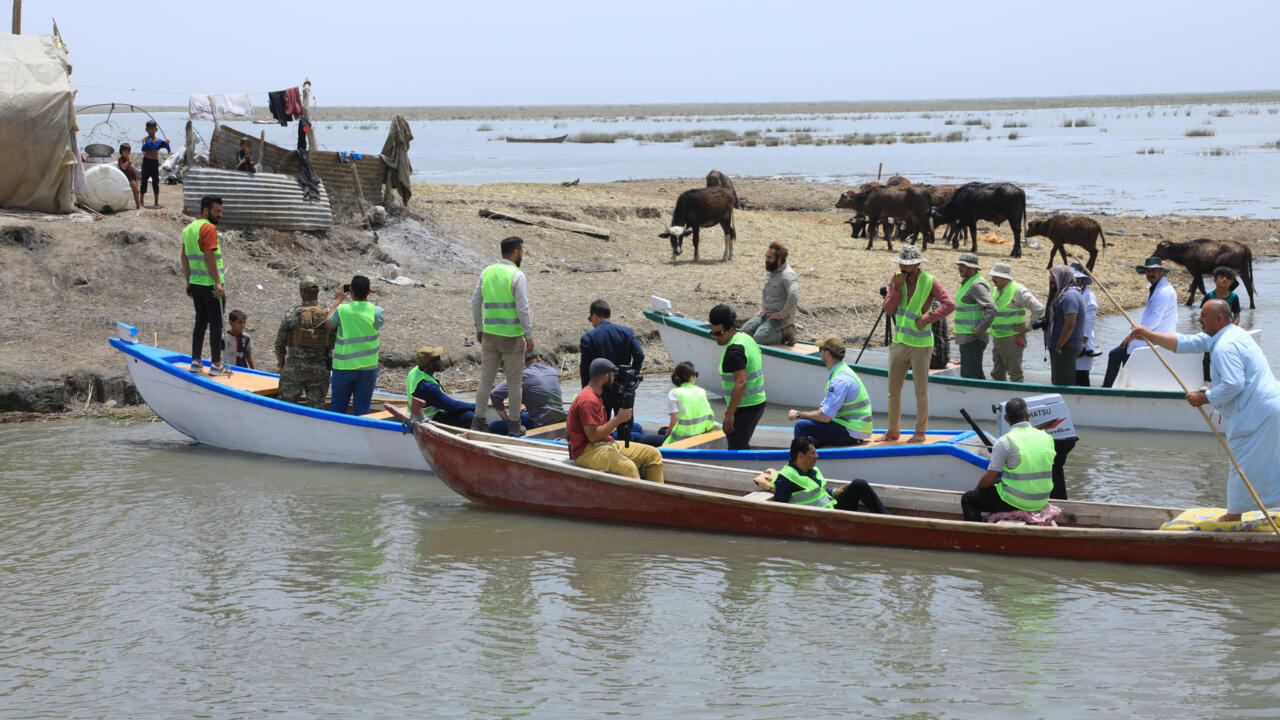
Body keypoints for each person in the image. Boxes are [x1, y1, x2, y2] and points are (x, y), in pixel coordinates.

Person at [1133, 299, 1280, 522]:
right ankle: (1265, 510)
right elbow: (1186, 342)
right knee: (1267, 463)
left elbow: (1233, 384)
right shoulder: (1232, 334)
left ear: (1219, 319)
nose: (1199, 319)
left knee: (1240, 463)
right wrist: (1150, 335)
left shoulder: (1224, 346)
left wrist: (1204, 397)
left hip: (1256, 413)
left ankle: (1233, 516)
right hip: (1269, 407)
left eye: (1203, 315)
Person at [882, 245, 954, 443]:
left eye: (908, 265)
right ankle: (892, 431)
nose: (903, 269)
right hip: (900, 342)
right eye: (901, 264)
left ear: (917, 264)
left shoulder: (929, 281)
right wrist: (896, 289)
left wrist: (928, 317)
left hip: (921, 345)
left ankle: (920, 432)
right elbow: (888, 309)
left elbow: (950, 304)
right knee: (893, 391)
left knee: (920, 391)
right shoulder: (896, 279)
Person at [470, 236, 535, 436]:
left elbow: (475, 301)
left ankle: (478, 421)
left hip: (489, 335)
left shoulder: (487, 272)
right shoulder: (517, 275)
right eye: (521, 250)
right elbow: (522, 308)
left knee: (485, 380)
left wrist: (479, 327)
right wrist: (529, 335)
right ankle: (515, 425)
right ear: (515, 252)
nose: (522, 254)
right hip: (512, 337)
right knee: (515, 383)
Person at [567, 358, 664, 483]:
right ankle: (638, 500)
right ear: (605, 377)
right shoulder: (588, 400)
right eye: (613, 376)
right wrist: (618, 419)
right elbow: (593, 436)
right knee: (629, 468)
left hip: (604, 444)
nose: (614, 380)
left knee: (653, 455)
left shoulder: (595, 395)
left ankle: (655, 496)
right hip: (586, 451)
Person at [961, 397, 1056, 522]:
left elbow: (989, 479)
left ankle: (976, 539)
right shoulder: (1047, 437)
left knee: (969, 498)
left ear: (1006, 418)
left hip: (1018, 501)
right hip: (1042, 499)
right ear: (1028, 416)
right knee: (1000, 482)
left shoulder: (1005, 441)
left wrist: (977, 490)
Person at [752, 436, 888, 514]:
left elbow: (817, 492)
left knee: (859, 484)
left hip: (832, 508)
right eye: (812, 453)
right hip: (823, 517)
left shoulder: (812, 470)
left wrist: (834, 492)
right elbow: (780, 509)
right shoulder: (786, 478)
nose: (817, 456)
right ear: (801, 456)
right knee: (859, 483)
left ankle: (886, 519)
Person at [1102, 256, 1177, 388]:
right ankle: (1110, 387)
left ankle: (1118, 388)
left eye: (1154, 271)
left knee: (1118, 354)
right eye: (1148, 271)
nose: (1150, 274)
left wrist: (1132, 335)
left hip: (1156, 337)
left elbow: (1155, 319)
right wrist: (1134, 334)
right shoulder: (1155, 288)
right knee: (1115, 354)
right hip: (1147, 334)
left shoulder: (1164, 291)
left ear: (1161, 272)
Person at [787, 336, 872, 448]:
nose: (819, 354)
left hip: (852, 432)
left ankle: (798, 463)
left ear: (827, 354)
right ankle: (807, 454)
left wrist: (799, 414)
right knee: (813, 440)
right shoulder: (842, 370)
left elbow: (825, 417)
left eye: (820, 351)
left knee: (801, 426)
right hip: (852, 428)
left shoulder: (839, 379)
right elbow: (824, 412)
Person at [709, 304, 767, 450]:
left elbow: (741, 383)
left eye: (719, 333)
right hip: (758, 403)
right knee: (740, 443)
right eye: (713, 333)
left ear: (731, 330)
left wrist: (730, 414)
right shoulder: (745, 338)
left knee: (737, 447)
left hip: (744, 407)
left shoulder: (734, 350)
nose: (716, 337)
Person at [181, 195, 227, 375]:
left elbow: (184, 257)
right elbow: (209, 255)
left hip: (196, 284)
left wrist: (188, 282)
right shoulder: (208, 227)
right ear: (206, 211)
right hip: (210, 286)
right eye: (217, 211)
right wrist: (217, 282)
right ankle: (216, 364)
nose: (220, 215)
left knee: (200, 323)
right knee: (216, 324)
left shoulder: (189, 229)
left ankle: (196, 361)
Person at [327, 275, 385, 415]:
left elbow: (328, 323)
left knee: (337, 408)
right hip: (368, 368)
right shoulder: (377, 312)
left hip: (343, 368)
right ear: (369, 291)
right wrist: (366, 300)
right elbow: (373, 319)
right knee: (362, 409)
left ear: (350, 290)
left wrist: (338, 300)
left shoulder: (342, 310)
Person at [274, 276, 334, 408]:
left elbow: (279, 345)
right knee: (317, 408)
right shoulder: (328, 314)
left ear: (303, 291)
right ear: (318, 292)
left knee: (286, 407)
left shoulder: (293, 313)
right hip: (320, 371)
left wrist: (282, 367)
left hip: (294, 370)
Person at [579, 298, 644, 416]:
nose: (592, 323)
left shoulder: (588, 338)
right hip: (624, 387)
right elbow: (639, 355)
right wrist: (632, 378)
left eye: (591, 319)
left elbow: (585, 369)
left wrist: (586, 391)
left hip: (601, 389)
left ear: (595, 316)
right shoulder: (627, 332)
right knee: (625, 426)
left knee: (601, 426)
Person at [987, 262, 1044, 384]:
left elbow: (1038, 308)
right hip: (997, 337)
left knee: (1015, 375)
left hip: (1012, 339)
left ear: (1004, 277)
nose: (992, 279)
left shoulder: (1018, 290)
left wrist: (1028, 327)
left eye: (995, 276)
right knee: (997, 373)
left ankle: (1017, 401)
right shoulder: (996, 290)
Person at [488, 348, 566, 436]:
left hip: (540, 424)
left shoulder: (523, 375)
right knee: (524, 414)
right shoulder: (554, 372)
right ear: (538, 358)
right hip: (561, 418)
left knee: (494, 426)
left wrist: (506, 419)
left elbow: (494, 394)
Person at [642, 361, 718, 446]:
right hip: (701, 434)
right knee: (661, 430)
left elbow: (674, 418)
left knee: (645, 440)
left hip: (683, 439)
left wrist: (669, 430)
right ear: (691, 377)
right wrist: (669, 428)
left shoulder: (675, 393)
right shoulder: (701, 391)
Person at [740, 242, 799, 345]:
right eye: (766, 257)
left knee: (759, 338)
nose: (766, 260)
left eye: (770, 258)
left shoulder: (788, 275)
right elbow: (765, 291)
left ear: (779, 259)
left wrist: (782, 314)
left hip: (782, 318)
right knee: (744, 333)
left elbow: (794, 296)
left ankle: (787, 332)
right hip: (767, 314)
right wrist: (763, 308)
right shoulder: (771, 272)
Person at [952, 252, 996, 379]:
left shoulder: (977, 285)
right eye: (959, 265)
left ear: (973, 268)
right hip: (966, 338)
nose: (960, 268)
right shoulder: (967, 282)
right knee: (973, 374)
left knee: (970, 376)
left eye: (963, 266)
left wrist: (980, 329)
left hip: (973, 339)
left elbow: (991, 308)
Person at [407, 346, 476, 428]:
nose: (441, 361)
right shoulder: (427, 387)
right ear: (430, 364)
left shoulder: (415, 371)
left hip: (415, 414)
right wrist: (475, 407)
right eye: (438, 359)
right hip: (427, 419)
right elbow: (452, 406)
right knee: (469, 416)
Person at [1201, 266, 1243, 382]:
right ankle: (1206, 382)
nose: (1224, 279)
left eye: (1228, 278)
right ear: (1215, 280)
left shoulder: (1234, 297)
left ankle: (1228, 381)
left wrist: (1230, 330)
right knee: (1207, 357)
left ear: (1232, 282)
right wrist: (1207, 330)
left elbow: (1237, 317)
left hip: (1228, 332)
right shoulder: (1209, 296)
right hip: (1211, 332)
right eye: (1221, 277)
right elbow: (1202, 316)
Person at [1044, 265, 1084, 385]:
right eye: (1050, 276)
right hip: (1062, 347)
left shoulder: (1069, 296)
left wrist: (1059, 345)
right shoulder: (1063, 294)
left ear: (1063, 277)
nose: (1051, 279)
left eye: (1054, 277)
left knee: (1063, 384)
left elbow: (1070, 323)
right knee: (1058, 381)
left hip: (1065, 348)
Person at [1071, 262, 1099, 386]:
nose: (1073, 280)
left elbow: (1090, 321)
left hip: (1083, 341)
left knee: (1081, 377)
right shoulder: (1068, 293)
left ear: (1082, 279)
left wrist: (1083, 343)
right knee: (1070, 375)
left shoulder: (1089, 296)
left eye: (1076, 277)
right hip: (1071, 340)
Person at [139, 120, 170, 207]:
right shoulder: (144, 140)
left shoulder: (158, 140)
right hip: (146, 162)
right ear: (146, 130)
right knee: (144, 181)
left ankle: (156, 201)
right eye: (149, 129)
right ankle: (141, 201)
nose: (151, 131)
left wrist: (166, 142)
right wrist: (150, 144)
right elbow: (144, 149)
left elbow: (161, 146)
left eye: (153, 129)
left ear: (156, 130)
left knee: (155, 182)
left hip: (154, 162)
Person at [117, 143, 142, 209]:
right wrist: (128, 161)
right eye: (125, 151)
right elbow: (123, 167)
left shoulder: (126, 159)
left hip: (131, 177)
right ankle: (138, 206)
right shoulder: (121, 159)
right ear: (121, 152)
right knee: (136, 190)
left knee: (136, 190)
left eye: (128, 152)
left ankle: (138, 205)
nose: (127, 153)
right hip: (127, 178)